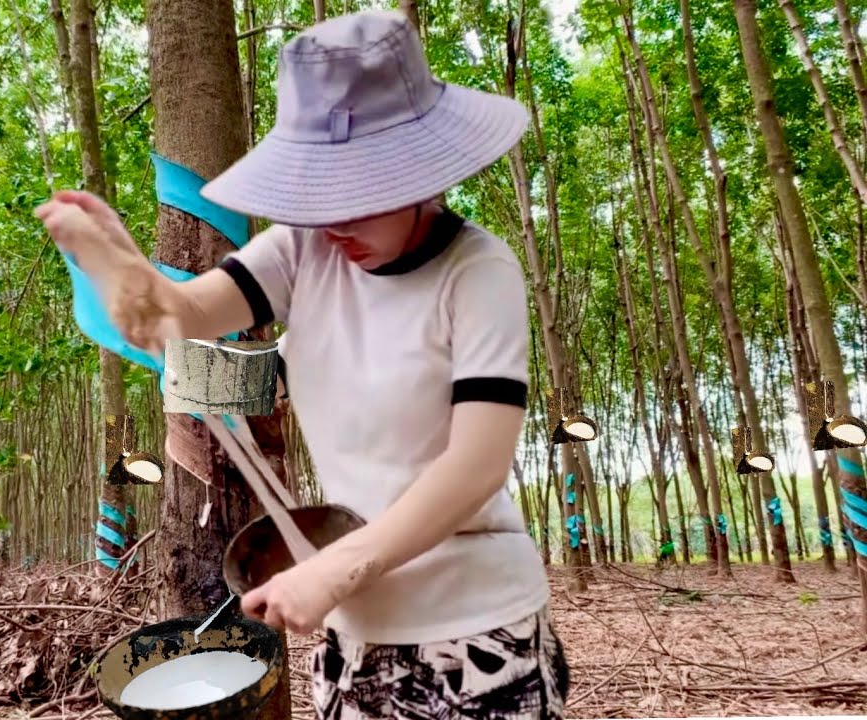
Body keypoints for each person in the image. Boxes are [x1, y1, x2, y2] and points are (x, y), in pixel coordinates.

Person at [35, 9, 568, 720]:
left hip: (474, 635)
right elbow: (177, 318)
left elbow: (476, 468)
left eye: (360, 197)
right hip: (353, 635)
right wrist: (119, 265)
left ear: (419, 172)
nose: (336, 224)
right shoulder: (302, 249)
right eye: (324, 198)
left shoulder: (477, 272)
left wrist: (335, 570)